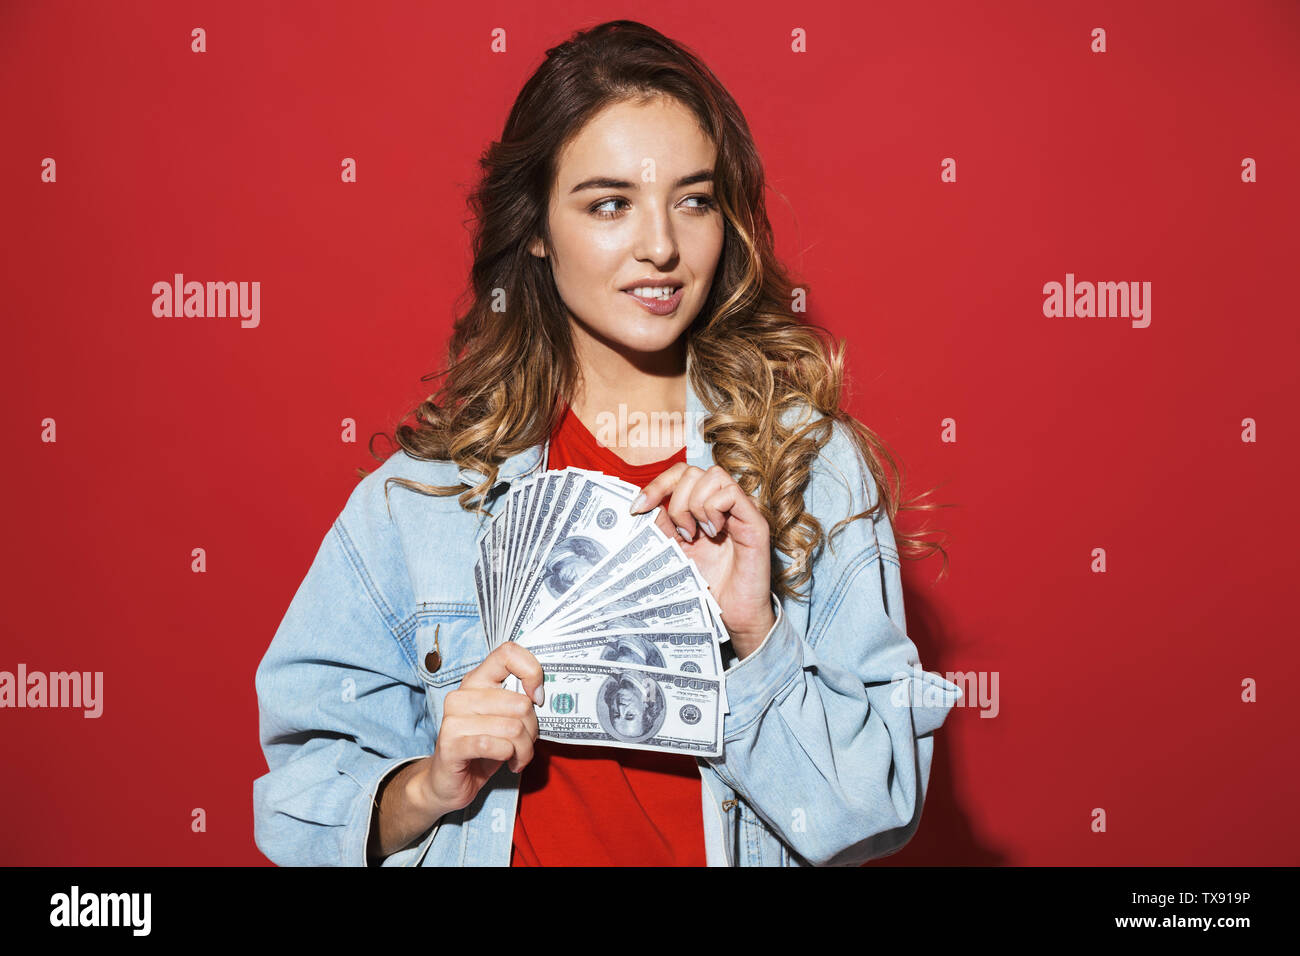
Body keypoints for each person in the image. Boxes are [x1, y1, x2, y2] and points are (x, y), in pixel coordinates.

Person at [253, 19, 963, 867]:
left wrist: (756, 637)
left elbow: (870, 809)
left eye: (693, 200)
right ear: (539, 229)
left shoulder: (811, 468)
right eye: (610, 203)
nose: (660, 246)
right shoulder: (426, 498)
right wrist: (427, 785)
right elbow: (296, 800)